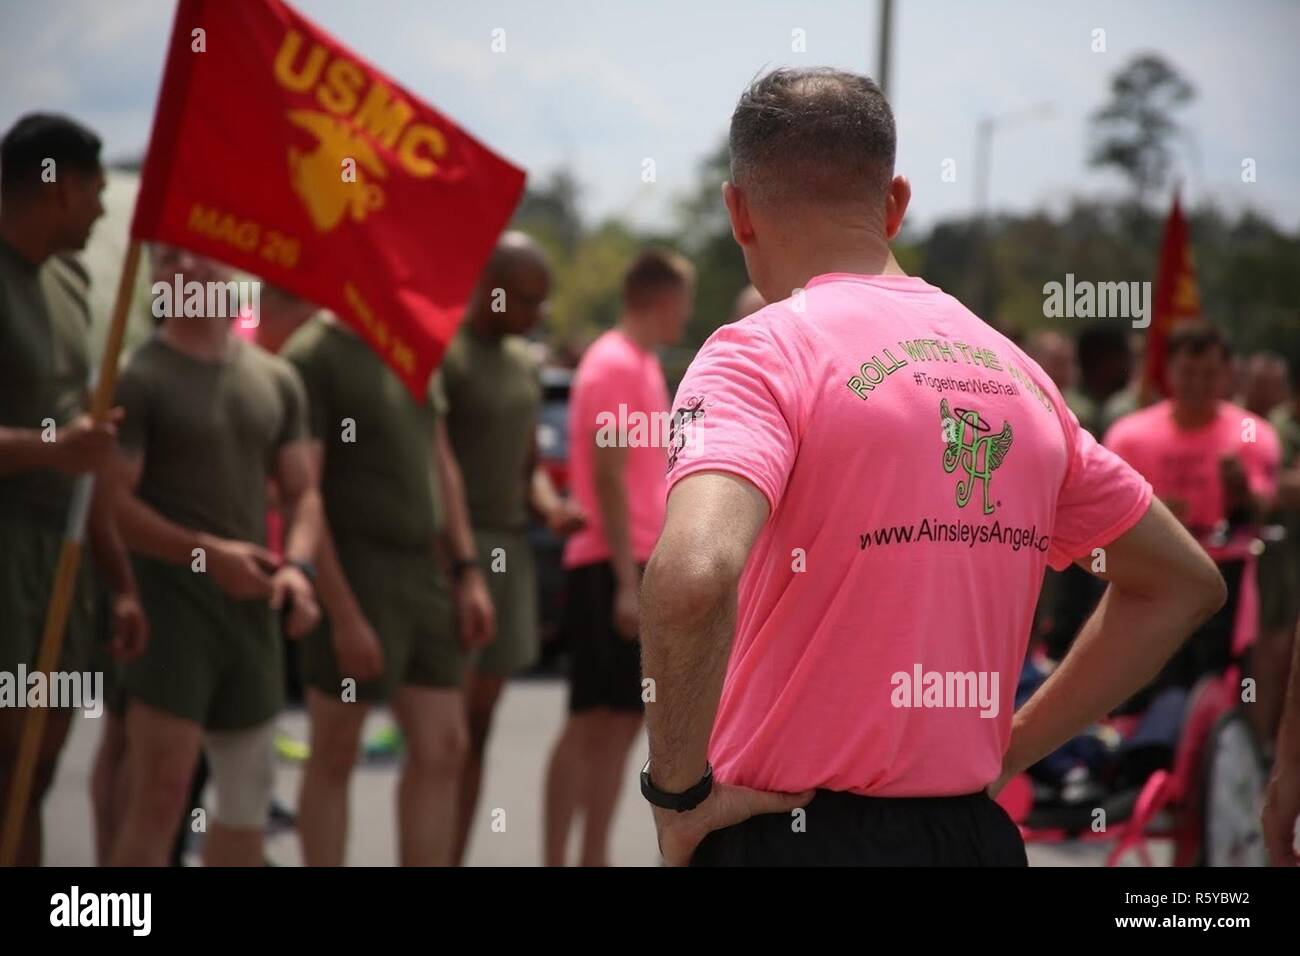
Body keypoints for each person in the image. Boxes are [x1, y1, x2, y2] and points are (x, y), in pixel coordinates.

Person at [638, 67, 1226, 867]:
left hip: (791, 836)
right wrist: (1014, 746)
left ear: (737, 209)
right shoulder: (1020, 376)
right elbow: (1184, 582)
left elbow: (692, 574)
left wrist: (678, 798)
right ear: (896, 203)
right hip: (971, 839)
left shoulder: (759, 352)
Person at [107, 247, 322, 866]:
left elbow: (304, 493)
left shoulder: (275, 378)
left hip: (251, 614)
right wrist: (207, 553)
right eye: (169, 259)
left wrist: (299, 573)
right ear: (151, 275)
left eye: (202, 256)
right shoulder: (139, 377)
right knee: (161, 792)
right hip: (172, 611)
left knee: (247, 801)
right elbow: (114, 506)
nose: (189, 271)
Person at [283, 309, 494, 867]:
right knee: (335, 748)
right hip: (353, 569)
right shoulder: (314, 354)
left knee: (444, 745)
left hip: (423, 569)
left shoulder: (412, 337)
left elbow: (440, 457)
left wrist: (467, 570)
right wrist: (343, 612)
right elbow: (302, 491)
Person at [0, 113, 148, 865]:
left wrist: (119, 582)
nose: (99, 209)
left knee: (37, 771)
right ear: (55, 188)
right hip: (6, 563)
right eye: (92, 191)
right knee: (6, 766)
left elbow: (79, 451)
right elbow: (62, 446)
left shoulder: (72, 277)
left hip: (64, 563)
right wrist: (52, 448)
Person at [543, 249, 693, 866]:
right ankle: (559, 857)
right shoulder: (612, 364)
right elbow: (605, 476)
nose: (686, 312)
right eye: (683, 299)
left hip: (634, 560)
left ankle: (593, 855)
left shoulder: (643, 364)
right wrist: (625, 584)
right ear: (660, 299)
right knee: (587, 723)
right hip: (608, 562)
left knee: (621, 724)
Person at [442, 232, 585, 865]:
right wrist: (460, 561)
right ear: (489, 285)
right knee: (441, 733)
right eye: (526, 299)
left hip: (509, 555)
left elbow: (527, 462)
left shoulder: (526, 364)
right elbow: (431, 462)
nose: (537, 314)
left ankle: (455, 853)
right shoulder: (444, 353)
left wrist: (551, 509)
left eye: (543, 303)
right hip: (450, 557)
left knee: (478, 728)